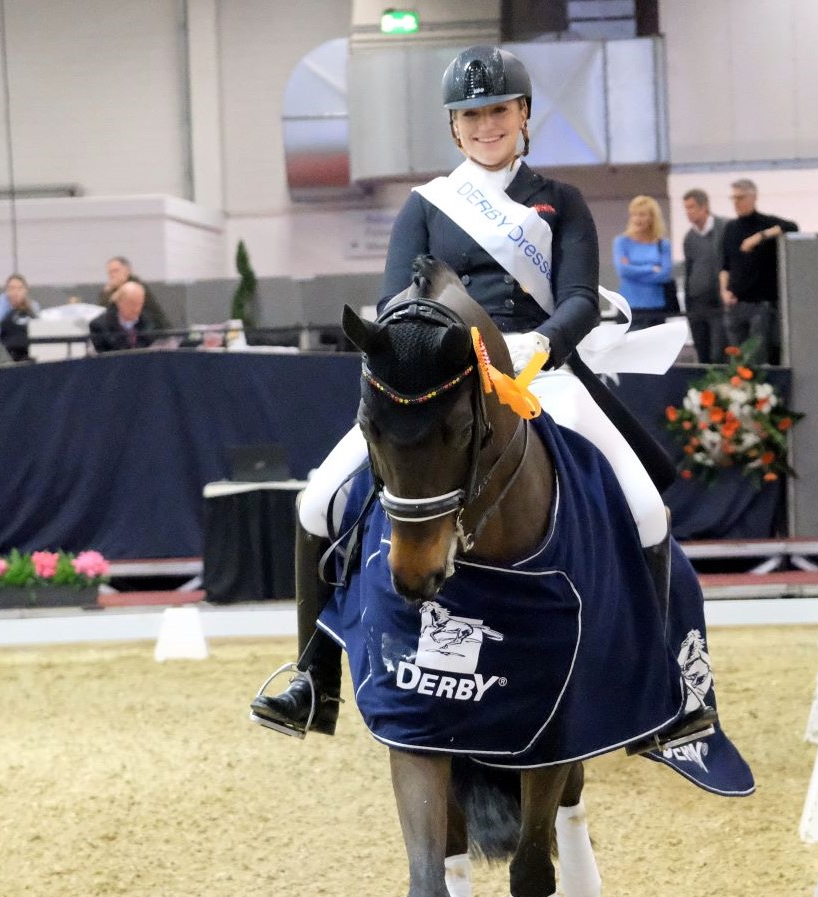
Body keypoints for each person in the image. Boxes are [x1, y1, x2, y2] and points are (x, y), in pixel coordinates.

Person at [253, 43, 699, 745]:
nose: (485, 125)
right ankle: (315, 681)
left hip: (543, 375)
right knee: (316, 501)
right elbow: (397, 301)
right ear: (453, 128)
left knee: (645, 509)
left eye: (497, 110)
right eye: (471, 115)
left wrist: (541, 344)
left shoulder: (562, 201)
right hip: (448, 379)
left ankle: (666, 688)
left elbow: (581, 295)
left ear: (522, 114)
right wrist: (450, 355)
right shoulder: (427, 206)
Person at [719, 179, 796, 365]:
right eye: (733, 198)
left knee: (757, 356)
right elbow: (724, 266)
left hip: (760, 304)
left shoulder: (766, 223)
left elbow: (792, 227)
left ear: (753, 197)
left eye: (741, 198)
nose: (736, 202)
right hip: (735, 303)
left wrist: (760, 237)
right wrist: (724, 291)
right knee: (736, 359)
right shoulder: (730, 228)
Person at [612, 195, 673, 330]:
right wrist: (651, 268)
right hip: (629, 308)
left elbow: (665, 274)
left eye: (642, 215)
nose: (637, 219)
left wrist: (633, 270)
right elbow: (623, 270)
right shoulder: (622, 242)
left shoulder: (663, 244)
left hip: (655, 308)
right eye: (634, 214)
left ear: (652, 218)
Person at [681, 188, 727, 363]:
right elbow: (689, 270)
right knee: (702, 352)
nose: (688, 212)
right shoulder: (690, 238)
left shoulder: (724, 228)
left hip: (718, 301)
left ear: (704, 207)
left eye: (691, 207)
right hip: (697, 302)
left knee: (719, 352)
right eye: (686, 208)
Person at [98, 256, 170, 332]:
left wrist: (113, 296)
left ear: (128, 271)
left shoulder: (136, 286)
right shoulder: (111, 289)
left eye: (116, 271)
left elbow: (121, 308)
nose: (112, 275)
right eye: (110, 272)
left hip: (153, 332)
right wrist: (107, 293)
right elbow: (103, 311)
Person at [89, 281, 158, 352]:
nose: (137, 309)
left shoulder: (147, 321)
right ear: (119, 302)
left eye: (140, 304)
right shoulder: (99, 326)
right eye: (132, 304)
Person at [0, 274, 40, 363]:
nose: (16, 292)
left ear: (26, 290)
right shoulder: (0, 314)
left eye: (20, 288)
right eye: (12, 288)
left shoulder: (33, 311)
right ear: (6, 291)